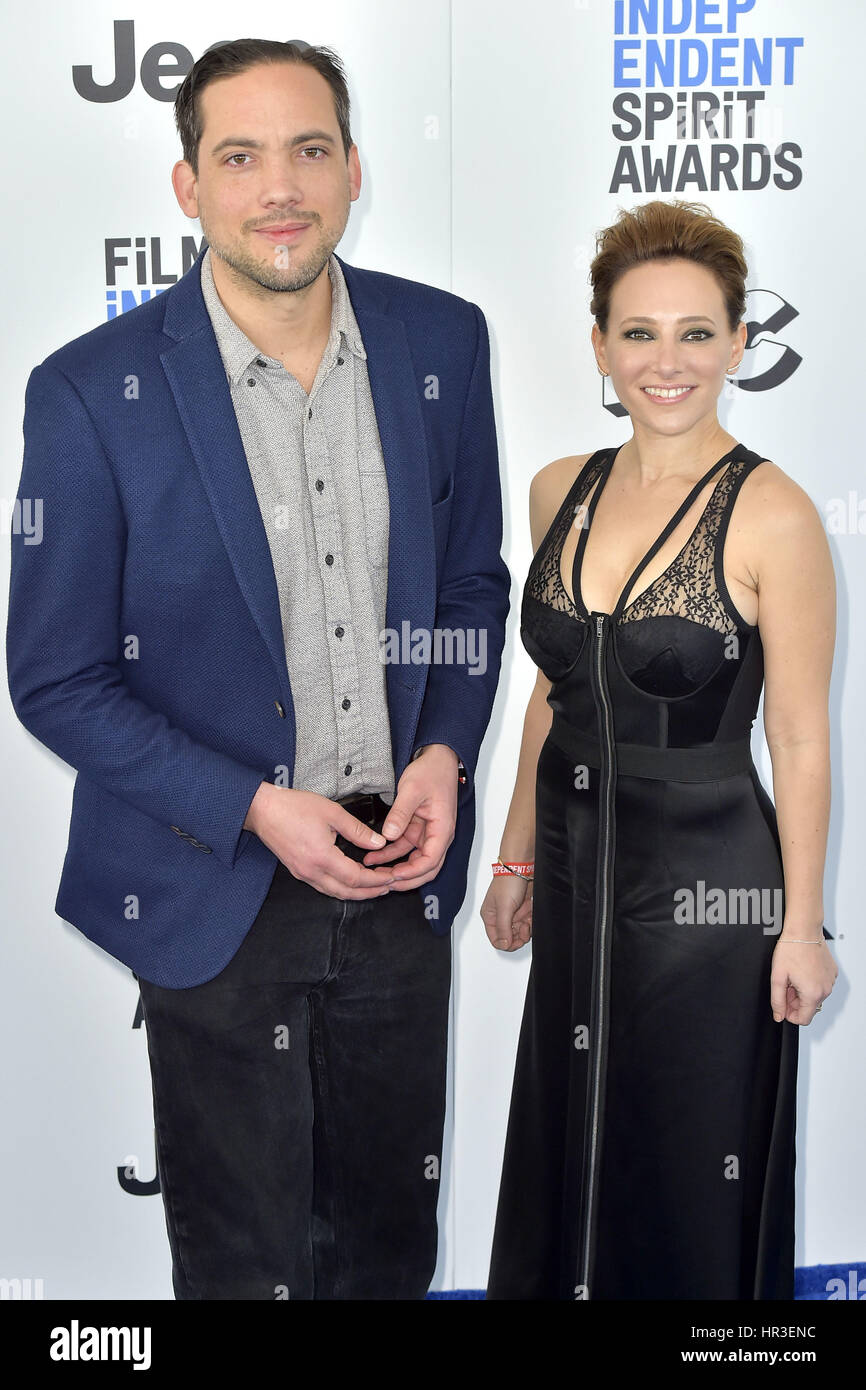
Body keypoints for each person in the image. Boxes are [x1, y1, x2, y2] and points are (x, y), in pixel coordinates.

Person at [6, 39, 510, 1300]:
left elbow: (466, 586)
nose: (278, 186)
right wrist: (250, 805)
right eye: (239, 156)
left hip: (400, 871)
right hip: (211, 882)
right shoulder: (86, 395)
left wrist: (444, 749)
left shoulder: (439, 342)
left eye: (308, 150)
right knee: (244, 1268)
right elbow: (56, 678)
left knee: (389, 1252)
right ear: (188, 186)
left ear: (352, 171)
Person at [482, 199, 837, 1301]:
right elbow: (552, 690)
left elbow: (799, 736)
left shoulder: (773, 513)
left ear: (739, 343)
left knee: (684, 1158)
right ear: (598, 345)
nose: (665, 361)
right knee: (572, 1139)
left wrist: (799, 925)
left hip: (707, 897)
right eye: (637, 333)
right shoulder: (558, 488)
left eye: (695, 333)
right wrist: (513, 857)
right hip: (578, 868)